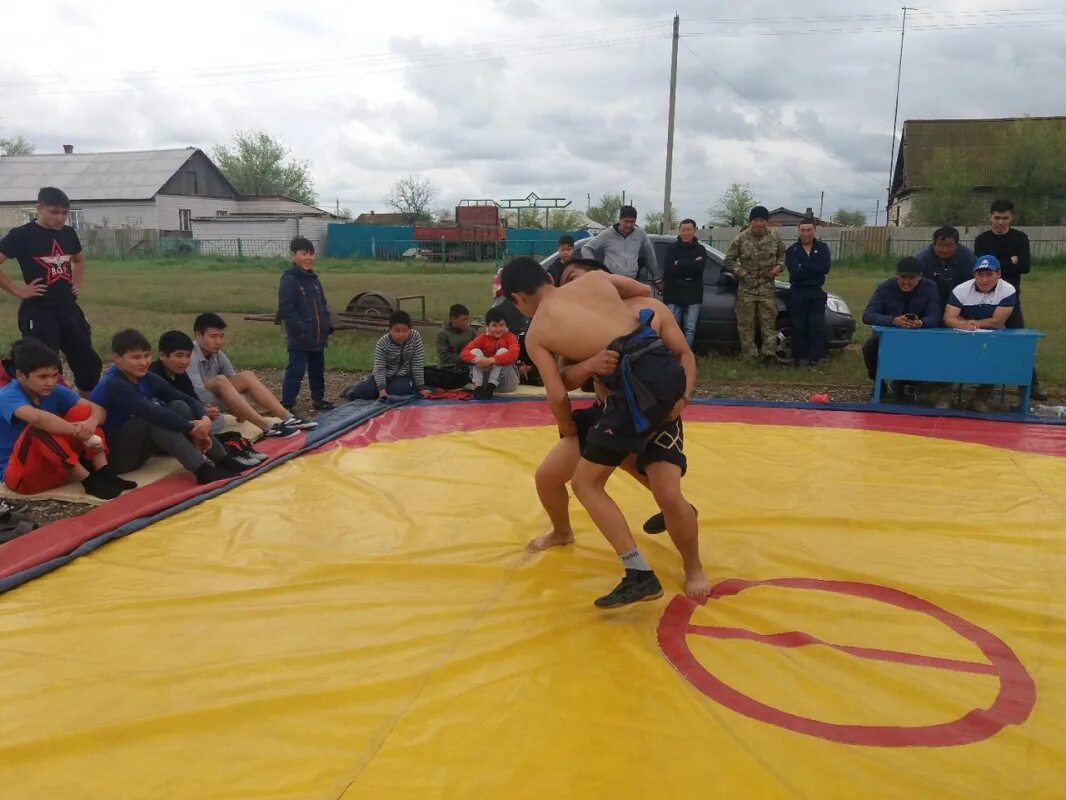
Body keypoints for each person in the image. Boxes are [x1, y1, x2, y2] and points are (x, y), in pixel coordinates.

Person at [501, 257, 694, 608]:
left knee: (587, 483)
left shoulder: (538, 331)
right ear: (549, 279)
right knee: (555, 474)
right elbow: (642, 289)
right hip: (648, 384)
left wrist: (565, 427)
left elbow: (557, 394)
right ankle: (564, 532)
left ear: (518, 298)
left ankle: (640, 572)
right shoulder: (598, 283)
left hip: (638, 394)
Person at [90, 330, 257, 484]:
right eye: (136, 358)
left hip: (137, 445)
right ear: (117, 358)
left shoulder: (145, 377)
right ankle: (202, 470)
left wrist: (204, 419)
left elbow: (186, 398)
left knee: (179, 406)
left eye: (147, 356)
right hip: (113, 456)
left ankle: (222, 459)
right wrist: (193, 429)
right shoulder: (115, 384)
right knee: (153, 420)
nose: (144, 362)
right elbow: (152, 412)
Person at [0, 187, 103, 395]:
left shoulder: (68, 233)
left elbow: (79, 260)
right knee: (43, 364)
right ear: (40, 208)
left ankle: (86, 404)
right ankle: (48, 407)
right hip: (39, 309)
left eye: (65, 213)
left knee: (86, 360)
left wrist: (77, 283)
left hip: (68, 307)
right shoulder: (22, 235)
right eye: (54, 212)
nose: (60, 218)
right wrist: (18, 291)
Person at [0, 339, 130, 499]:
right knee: (39, 429)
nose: (50, 382)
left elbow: (98, 410)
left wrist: (90, 423)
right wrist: (79, 430)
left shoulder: (54, 390)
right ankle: (89, 482)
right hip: (22, 477)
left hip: (57, 469)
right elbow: (39, 419)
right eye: (42, 377)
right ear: (20, 375)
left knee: (83, 412)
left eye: (54, 375)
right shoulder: (7, 395)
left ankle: (105, 473)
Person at [187, 313, 314, 438]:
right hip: (194, 402)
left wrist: (238, 405)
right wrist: (232, 404)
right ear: (198, 335)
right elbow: (198, 394)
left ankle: (288, 418)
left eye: (221, 336)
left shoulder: (217, 354)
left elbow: (236, 384)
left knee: (247, 376)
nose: (218, 342)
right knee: (220, 381)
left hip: (213, 400)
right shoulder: (189, 356)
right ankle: (267, 426)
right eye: (213, 337)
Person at [974, 199, 1045, 400]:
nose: (1000, 222)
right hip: (985, 297)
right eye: (997, 218)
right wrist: (1010, 261)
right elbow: (982, 269)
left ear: (1011, 217)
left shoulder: (1020, 238)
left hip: (1011, 297)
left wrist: (997, 265)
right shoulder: (982, 240)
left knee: (1019, 339)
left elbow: (1025, 266)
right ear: (990, 216)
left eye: (1005, 218)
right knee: (983, 340)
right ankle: (983, 383)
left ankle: (1031, 383)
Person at [861, 257, 942, 402]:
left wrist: (920, 323)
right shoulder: (885, 288)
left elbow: (936, 316)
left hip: (919, 337)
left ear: (920, 277)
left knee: (934, 348)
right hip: (889, 337)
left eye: (911, 278)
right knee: (870, 346)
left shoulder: (930, 288)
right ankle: (878, 383)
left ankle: (906, 382)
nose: (906, 282)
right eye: (902, 277)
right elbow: (868, 315)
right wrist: (893, 320)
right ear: (896, 276)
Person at [942, 255, 1017, 412]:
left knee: (997, 355)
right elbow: (948, 318)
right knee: (947, 352)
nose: (984, 279)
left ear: (999, 274)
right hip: (962, 335)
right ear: (974, 274)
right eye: (980, 275)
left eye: (989, 274)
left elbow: (997, 322)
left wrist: (971, 324)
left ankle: (981, 397)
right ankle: (944, 393)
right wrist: (963, 325)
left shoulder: (1008, 290)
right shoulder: (961, 290)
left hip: (994, 336)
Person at [278, 236, 335, 413]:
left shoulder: (314, 280)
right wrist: (301, 329)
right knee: (296, 371)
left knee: (317, 370)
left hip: (318, 336)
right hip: (300, 338)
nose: (308, 258)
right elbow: (286, 308)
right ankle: (287, 404)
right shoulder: (289, 279)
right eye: (304, 254)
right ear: (293, 255)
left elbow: (323, 304)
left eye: (311, 254)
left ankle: (318, 400)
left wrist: (327, 324)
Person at [725, 206, 786, 360]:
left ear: (767, 222)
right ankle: (750, 356)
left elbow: (783, 256)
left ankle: (768, 355)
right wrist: (742, 273)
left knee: (768, 323)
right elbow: (729, 260)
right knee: (746, 325)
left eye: (762, 220)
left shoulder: (774, 237)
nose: (759, 223)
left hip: (767, 287)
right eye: (756, 220)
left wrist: (778, 267)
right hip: (747, 288)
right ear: (750, 221)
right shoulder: (740, 238)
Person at [343, 310, 433, 401]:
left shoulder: (415, 337)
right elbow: (379, 368)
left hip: (403, 376)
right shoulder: (382, 343)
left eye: (405, 331)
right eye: (397, 331)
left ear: (410, 330)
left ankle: (383, 391)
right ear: (390, 330)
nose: (401, 334)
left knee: (401, 390)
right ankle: (353, 389)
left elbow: (417, 364)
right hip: (384, 375)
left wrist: (421, 387)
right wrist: (382, 389)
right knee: (366, 391)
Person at [149, 330, 224, 434]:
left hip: (188, 419)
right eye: (179, 356)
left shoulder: (181, 375)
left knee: (219, 420)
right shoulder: (153, 375)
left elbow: (192, 398)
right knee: (180, 406)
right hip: (163, 422)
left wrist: (205, 410)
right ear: (162, 355)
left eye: (188, 356)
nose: (184, 361)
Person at [785, 218, 832, 366]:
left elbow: (825, 268)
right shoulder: (792, 250)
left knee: (816, 326)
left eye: (809, 230)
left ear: (814, 230)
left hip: (816, 292)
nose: (806, 233)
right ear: (799, 231)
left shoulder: (823, 248)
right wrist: (813, 267)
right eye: (803, 230)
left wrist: (804, 266)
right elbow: (794, 273)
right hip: (798, 292)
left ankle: (817, 357)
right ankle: (801, 358)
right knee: (798, 326)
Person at [578, 205, 661, 283]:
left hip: (631, 281)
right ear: (620, 219)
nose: (629, 225)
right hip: (612, 281)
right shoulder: (608, 234)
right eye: (626, 221)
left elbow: (650, 255)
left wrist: (656, 277)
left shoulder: (640, 234)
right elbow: (586, 248)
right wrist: (595, 269)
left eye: (632, 222)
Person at [662, 218, 706, 348]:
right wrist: (691, 263)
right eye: (683, 230)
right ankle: (671, 355)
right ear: (679, 231)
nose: (685, 233)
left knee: (690, 329)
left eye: (688, 230)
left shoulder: (700, 249)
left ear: (695, 231)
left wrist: (679, 262)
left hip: (693, 295)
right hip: (673, 294)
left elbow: (699, 269)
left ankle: (685, 356)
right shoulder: (671, 248)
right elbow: (669, 269)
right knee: (672, 328)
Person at [460, 307, 520, 398]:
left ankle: (490, 388)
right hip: (486, 381)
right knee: (475, 352)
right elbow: (464, 353)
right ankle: (478, 387)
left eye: (501, 325)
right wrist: (477, 360)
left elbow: (514, 354)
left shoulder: (510, 337)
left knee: (502, 351)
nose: (498, 329)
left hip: (506, 383)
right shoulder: (482, 338)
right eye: (494, 326)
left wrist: (491, 360)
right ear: (487, 326)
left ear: (506, 325)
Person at [914, 227, 974, 312]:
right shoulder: (921, 259)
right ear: (934, 245)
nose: (945, 250)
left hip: (960, 302)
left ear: (957, 245)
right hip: (929, 302)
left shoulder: (968, 258)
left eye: (949, 245)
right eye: (941, 245)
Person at [425, 304, 475, 390]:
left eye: (467, 319)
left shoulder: (470, 332)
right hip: (450, 369)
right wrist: (464, 357)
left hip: (470, 366)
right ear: (453, 319)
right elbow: (444, 357)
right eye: (464, 319)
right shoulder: (443, 334)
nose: (466, 322)